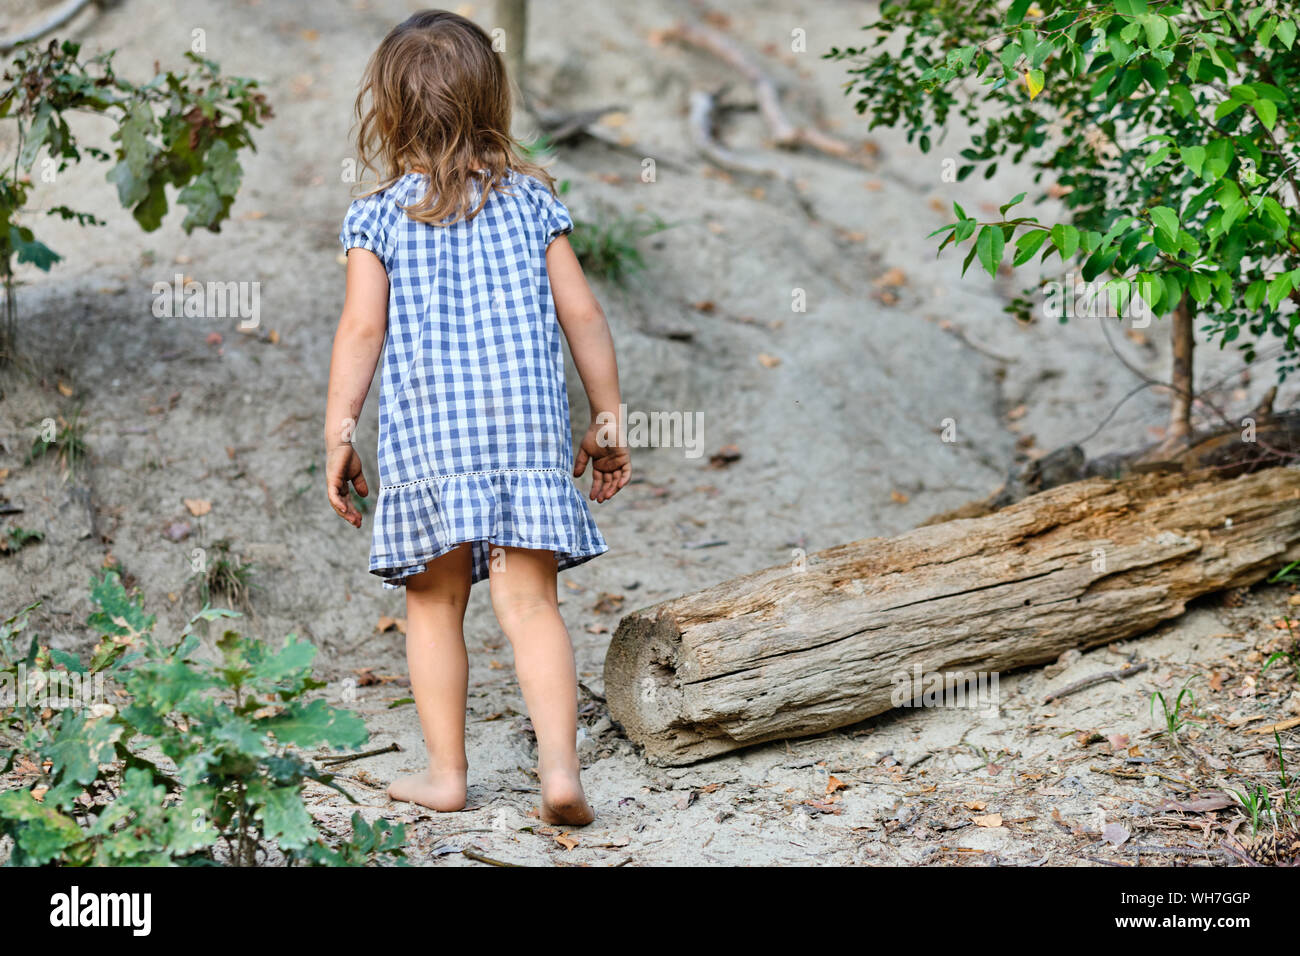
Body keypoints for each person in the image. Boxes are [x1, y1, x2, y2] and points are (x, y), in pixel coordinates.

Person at [323, 9, 629, 826]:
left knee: (433, 602)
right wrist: (606, 415)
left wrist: (341, 431)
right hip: (525, 430)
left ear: (387, 111)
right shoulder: (533, 203)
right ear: (493, 102)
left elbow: (361, 331)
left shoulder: (379, 217)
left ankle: (447, 774)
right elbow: (585, 316)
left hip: (432, 438)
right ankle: (560, 773)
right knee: (530, 606)